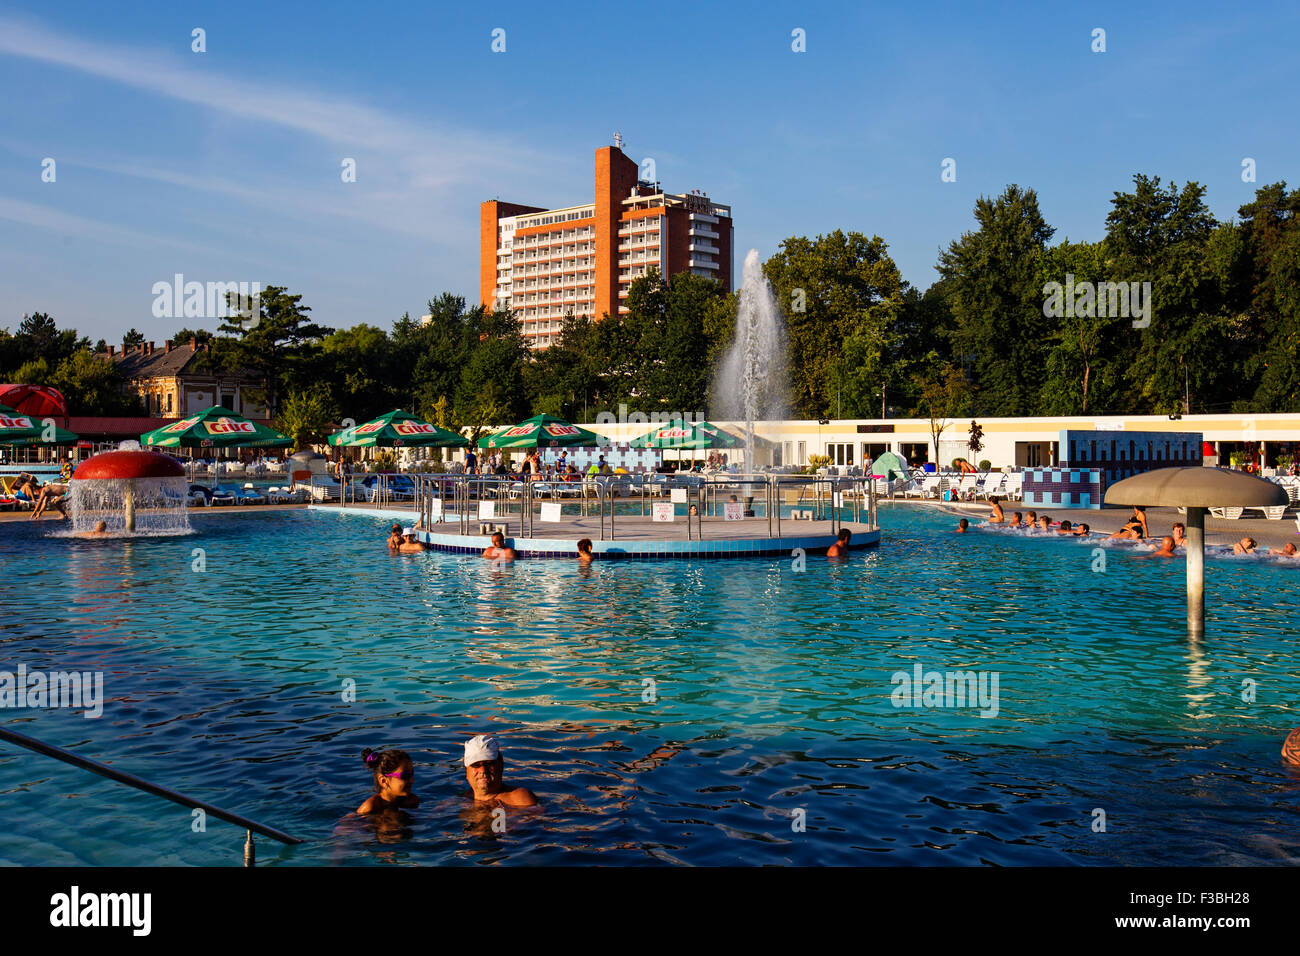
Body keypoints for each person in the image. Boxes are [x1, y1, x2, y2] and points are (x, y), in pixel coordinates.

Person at [463, 735, 537, 807]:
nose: (483, 770)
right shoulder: (464, 799)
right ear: (466, 770)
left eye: (489, 763)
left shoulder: (520, 799)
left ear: (501, 764)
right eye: (476, 765)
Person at [356, 747, 420, 814]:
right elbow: (348, 823)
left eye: (412, 774)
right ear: (383, 781)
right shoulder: (370, 807)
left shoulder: (411, 801)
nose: (412, 780)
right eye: (405, 776)